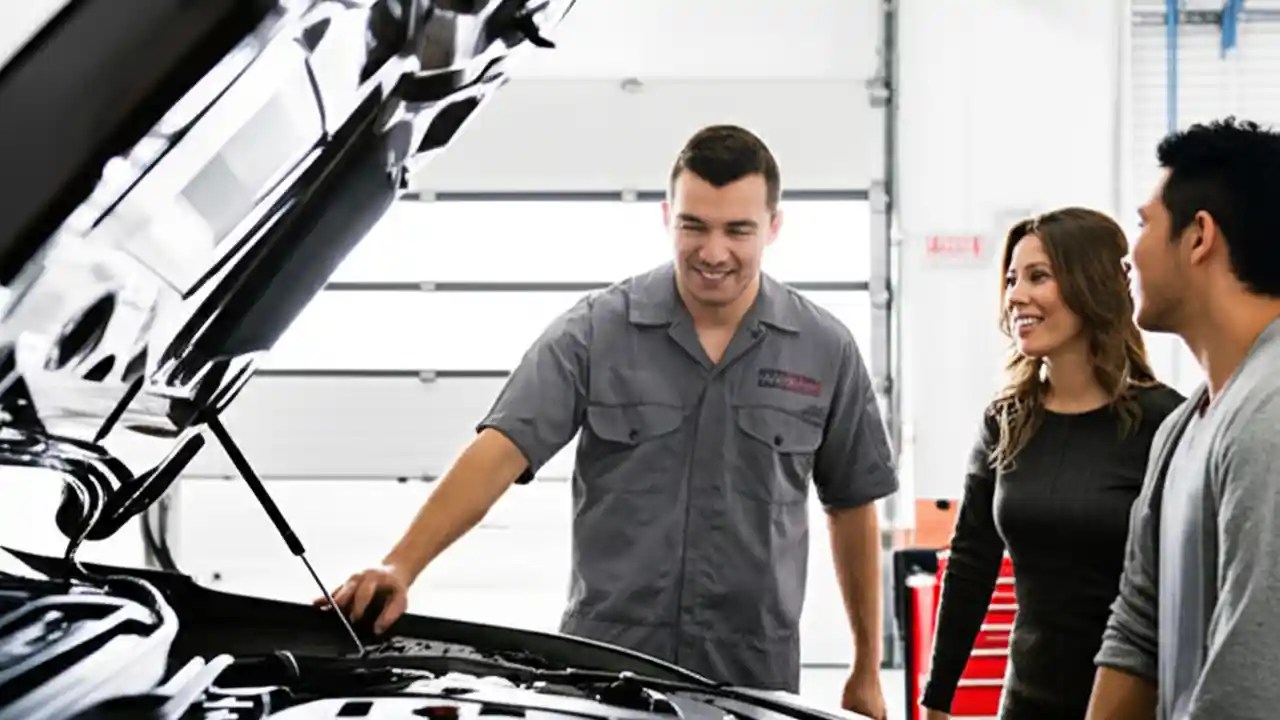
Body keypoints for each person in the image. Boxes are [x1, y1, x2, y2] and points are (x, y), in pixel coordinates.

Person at [318, 124, 899, 716]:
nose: (714, 251)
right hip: (603, 672)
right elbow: (500, 449)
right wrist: (401, 563)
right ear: (668, 216)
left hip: (751, 675)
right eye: (694, 225)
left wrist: (865, 668)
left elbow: (852, 506)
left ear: (773, 227)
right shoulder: (597, 331)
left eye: (738, 230)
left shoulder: (824, 348)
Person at [919, 207, 1185, 720]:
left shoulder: (1164, 422)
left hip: (1134, 704)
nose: (1015, 294)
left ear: (1092, 285)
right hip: (1026, 702)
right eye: (1012, 278)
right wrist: (938, 698)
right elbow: (972, 560)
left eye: (1038, 276)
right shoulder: (1006, 421)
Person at [1086, 118, 1280, 720]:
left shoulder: (1270, 414)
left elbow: (1255, 684)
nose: (1129, 256)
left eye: (1144, 225)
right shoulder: (1183, 427)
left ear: (1199, 236)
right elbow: (1139, 626)